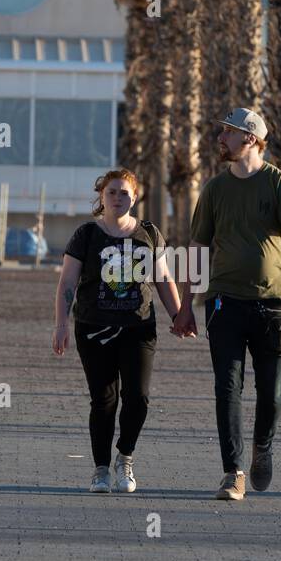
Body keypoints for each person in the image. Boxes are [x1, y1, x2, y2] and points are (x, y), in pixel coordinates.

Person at [172, 108, 281, 501]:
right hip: (223, 303)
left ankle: (263, 444)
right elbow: (197, 249)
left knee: (273, 391)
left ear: (249, 138)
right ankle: (233, 472)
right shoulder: (214, 189)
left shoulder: (279, 184)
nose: (220, 139)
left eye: (227, 133)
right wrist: (185, 305)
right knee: (227, 388)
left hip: (272, 304)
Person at [54, 169, 181, 494]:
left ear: (134, 197)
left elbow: (163, 279)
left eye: (124, 193)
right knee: (104, 400)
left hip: (138, 327)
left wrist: (179, 316)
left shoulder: (149, 234)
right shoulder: (86, 235)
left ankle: (124, 457)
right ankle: (100, 469)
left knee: (137, 398)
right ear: (101, 196)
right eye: (111, 192)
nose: (117, 198)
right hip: (93, 327)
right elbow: (67, 282)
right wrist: (61, 325)